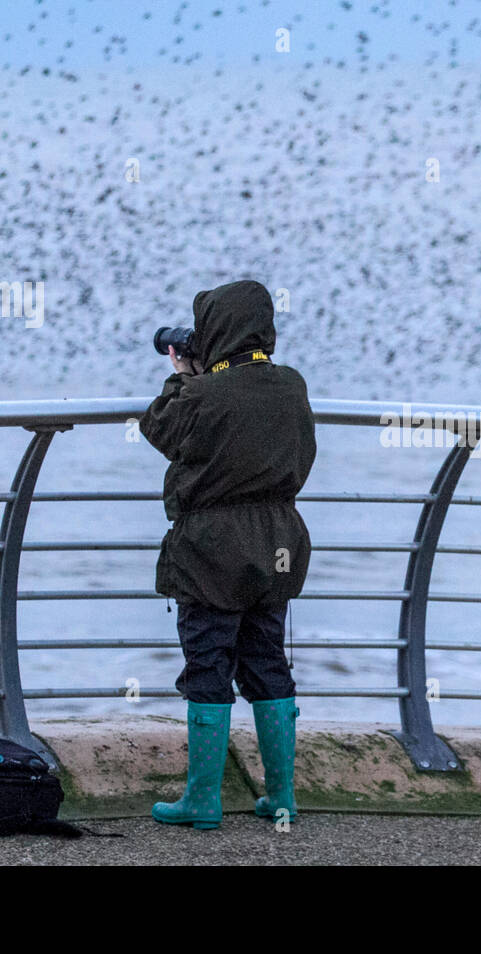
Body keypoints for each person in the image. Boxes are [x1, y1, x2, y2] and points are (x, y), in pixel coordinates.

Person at [138, 279, 316, 830]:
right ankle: (282, 798)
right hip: (278, 540)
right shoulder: (292, 386)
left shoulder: (200, 394)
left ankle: (202, 801)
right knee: (266, 661)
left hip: (211, 551)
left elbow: (157, 427)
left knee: (208, 664)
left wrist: (181, 375)